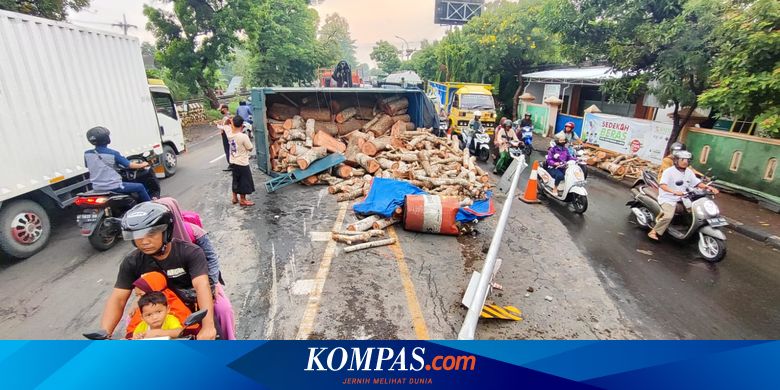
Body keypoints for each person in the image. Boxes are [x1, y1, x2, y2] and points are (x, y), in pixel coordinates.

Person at [100, 202, 217, 340]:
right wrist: (104, 333)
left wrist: (208, 326)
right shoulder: (132, 261)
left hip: (193, 302)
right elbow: (118, 299)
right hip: (155, 308)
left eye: (151, 233)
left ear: (166, 232)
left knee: (223, 313)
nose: (144, 241)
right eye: (138, 235)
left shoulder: (190, 252)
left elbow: (201, 286)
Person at [647, 150, 719, 241]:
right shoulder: (668, 172)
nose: (685, 162)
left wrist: (708, 187)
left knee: (695, 212)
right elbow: (662, 185)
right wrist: (674, 191)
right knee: (668, 216)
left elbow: (696, 183)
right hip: (668, 198)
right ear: (676, 160)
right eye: (682, 160)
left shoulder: (689, 172)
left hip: (684, 198)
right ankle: (653, 231)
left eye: (687, 160)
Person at [84, 126, 152, 202]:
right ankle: (149, 205)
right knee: (140, 187)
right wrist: (143, 164)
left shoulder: (87, 153)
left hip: (97, 187)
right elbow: (130, 165)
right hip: (113, 186)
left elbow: (89, 165)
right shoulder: (113, 153)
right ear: (106, 138)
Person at [125, 271, 193, 339]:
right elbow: (132, 335)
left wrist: (159, 333)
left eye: (141, 295)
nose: (154, 317)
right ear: (142, 317)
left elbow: (183, 331)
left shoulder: (172, 313)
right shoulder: (143, 317)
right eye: (149, 315)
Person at [227, 115, 256, 206]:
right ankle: (243, 200)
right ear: (242, 125)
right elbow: (250, 148)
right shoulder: (243, 136)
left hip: (233, 161)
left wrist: (230, 122)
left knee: (235, 180)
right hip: (242, 162)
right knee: (244, 181)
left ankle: (234, 198)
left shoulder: (230, 135)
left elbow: (227, 126)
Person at [218, 104, 232, 171]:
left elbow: (224, 127)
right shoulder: (227, 116)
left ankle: (231, 164)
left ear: (225, 109)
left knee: (227, 149)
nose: (220, 111)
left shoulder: (226, 117)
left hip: (226, 134)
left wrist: (218, 125)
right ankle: (231, 164)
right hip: (228, 134)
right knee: (229, 148)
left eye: (221, 109)